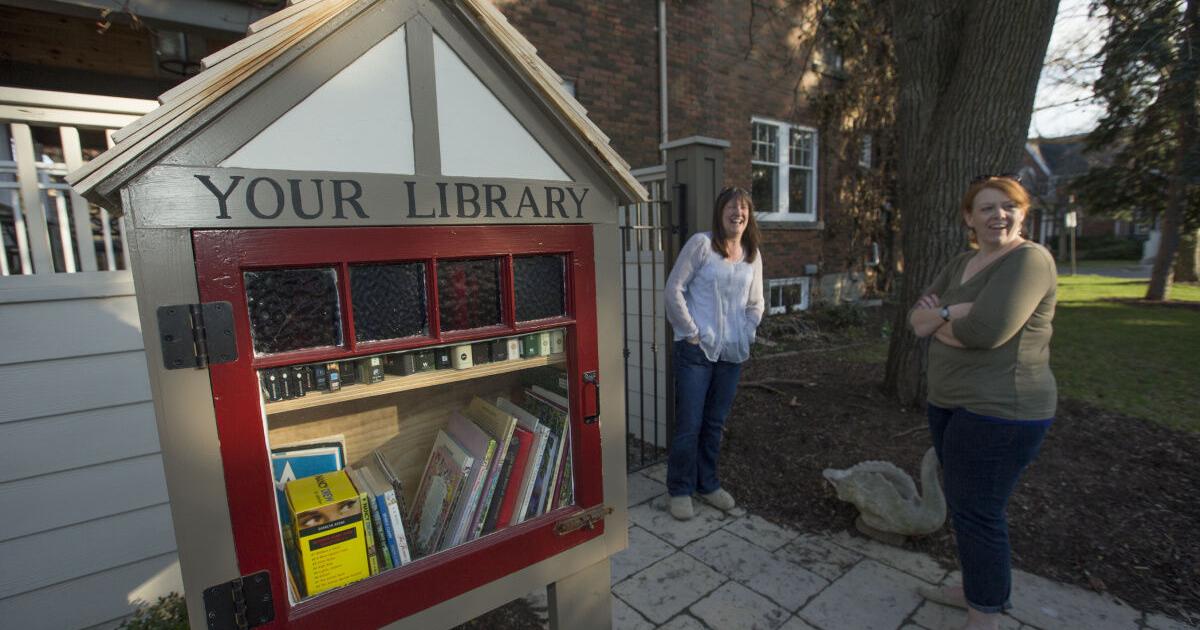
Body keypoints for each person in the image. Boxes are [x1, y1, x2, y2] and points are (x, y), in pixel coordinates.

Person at [908, 175, 1057, 630]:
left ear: (1023, 212)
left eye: (1008, 206)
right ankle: (980, 589)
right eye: (987, 208)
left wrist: (944, 317)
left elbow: (987, 334)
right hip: (951, 403)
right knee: (966, 504)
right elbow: (916, 321)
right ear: (969, 218)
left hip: (1001, 410)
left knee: (979, 510)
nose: (998, 215)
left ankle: (985, 615)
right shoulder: (961, 264)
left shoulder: (1029, 261)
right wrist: (955, 312)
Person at [663, 186, 765, 521]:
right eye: (732, 208)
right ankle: (680, 489)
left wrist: (747, 332)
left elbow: (756, 303)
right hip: (697, 351)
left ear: (748, 216)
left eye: (744, 209)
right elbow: (674, 289)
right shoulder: (701, 245)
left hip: (731, 354)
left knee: (714, 423)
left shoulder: (752, 254)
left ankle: (707, 484)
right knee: (690, 424)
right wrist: (691, 332)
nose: (738, 214)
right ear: (720, 213)